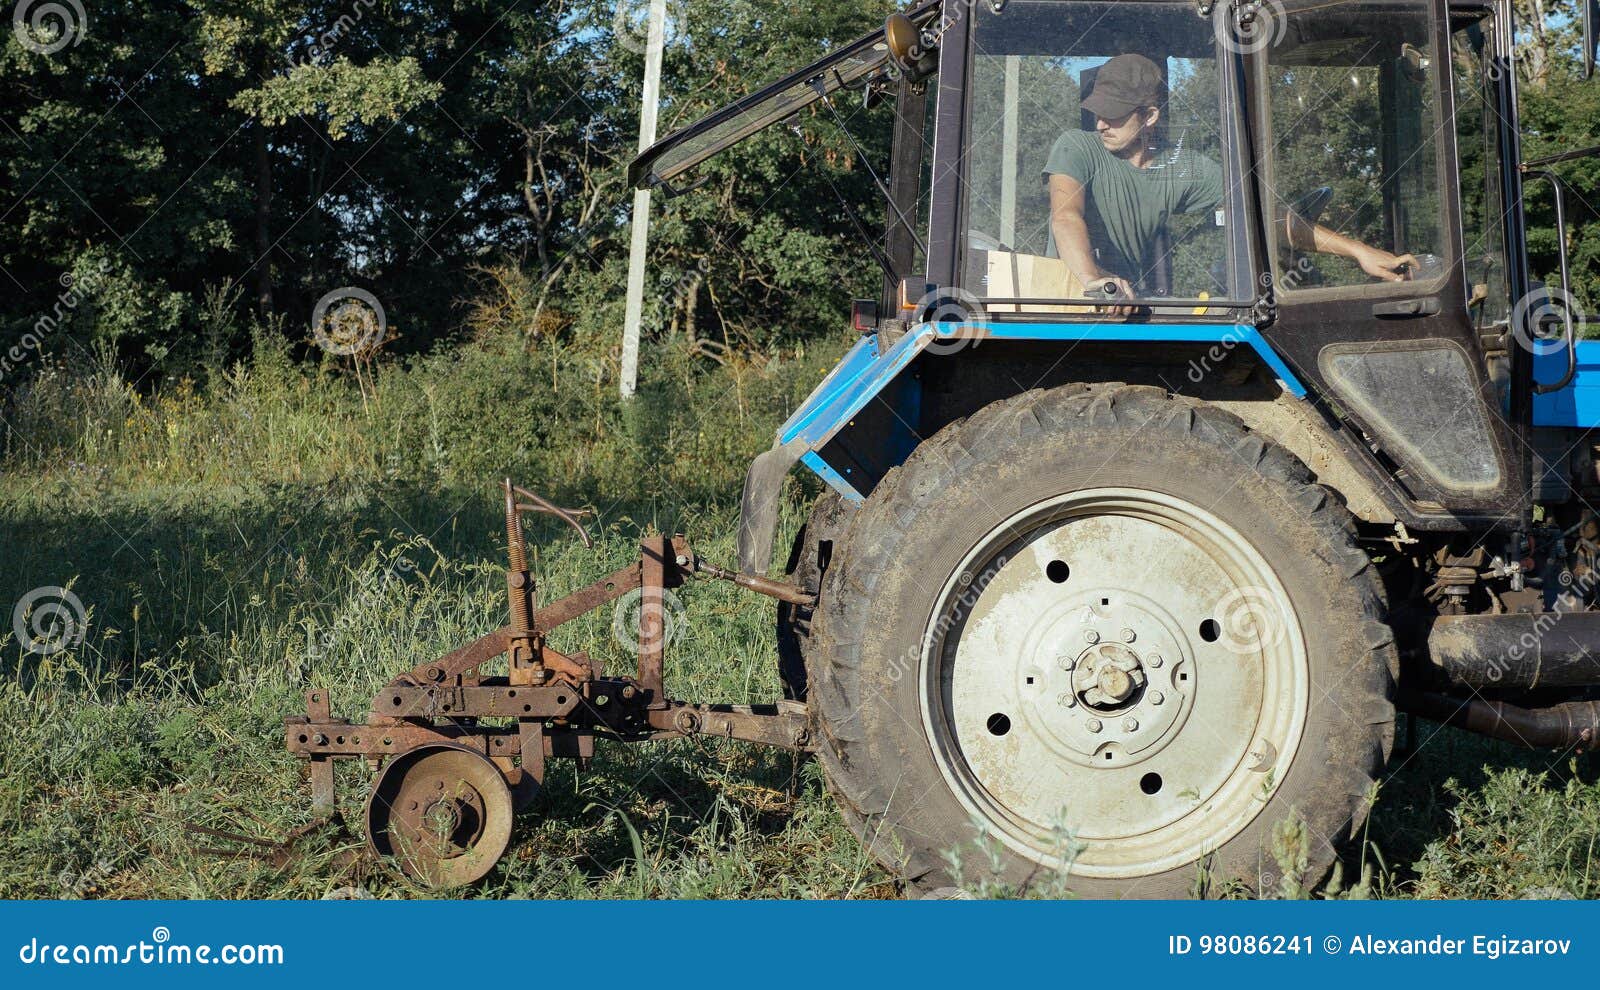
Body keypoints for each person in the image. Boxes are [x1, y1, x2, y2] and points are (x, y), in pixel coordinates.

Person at [1045, 54, 1417, 305]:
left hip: (1122, 302)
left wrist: (1359, 251)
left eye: (1113, 115)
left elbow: (1267, 221)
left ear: (1150, 116)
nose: (1100, 124)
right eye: (1097, 113)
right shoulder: (1077, 147)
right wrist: (1095, 282)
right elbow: (1066, 216)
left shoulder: (1184, 169)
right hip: (1070, 298)